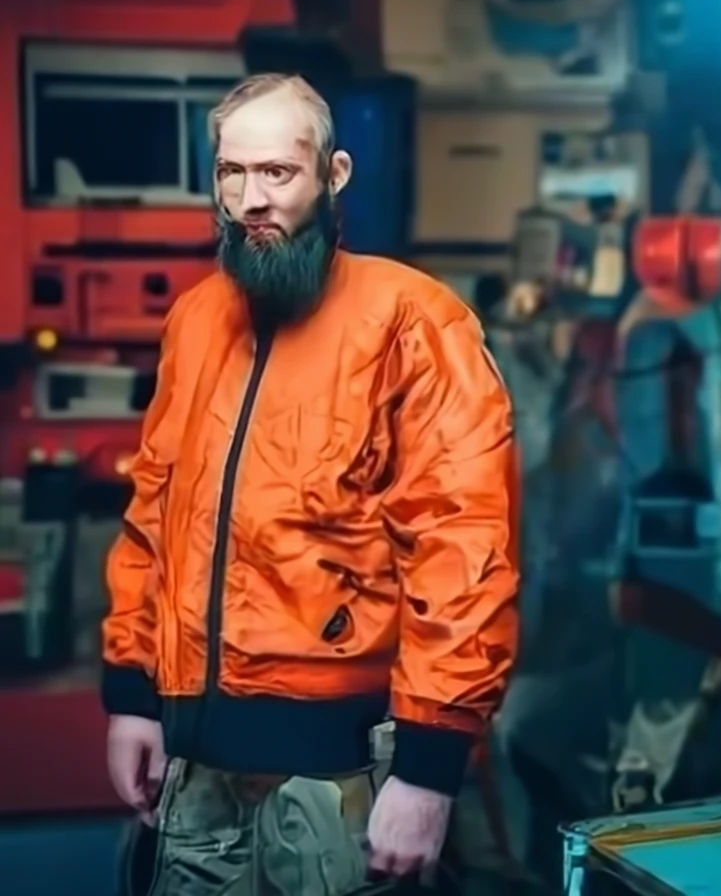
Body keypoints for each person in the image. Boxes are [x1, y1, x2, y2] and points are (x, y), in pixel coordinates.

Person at [101, 73, 520, 895]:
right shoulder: (195, 322)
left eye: (277, 173)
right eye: (232, 173)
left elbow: (464, 547)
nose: (250, 200)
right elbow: (153, 515)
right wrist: (134, 695)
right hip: (197, 767)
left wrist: (429, 769)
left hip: (342, 779)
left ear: (334, 175)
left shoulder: (413, 322)